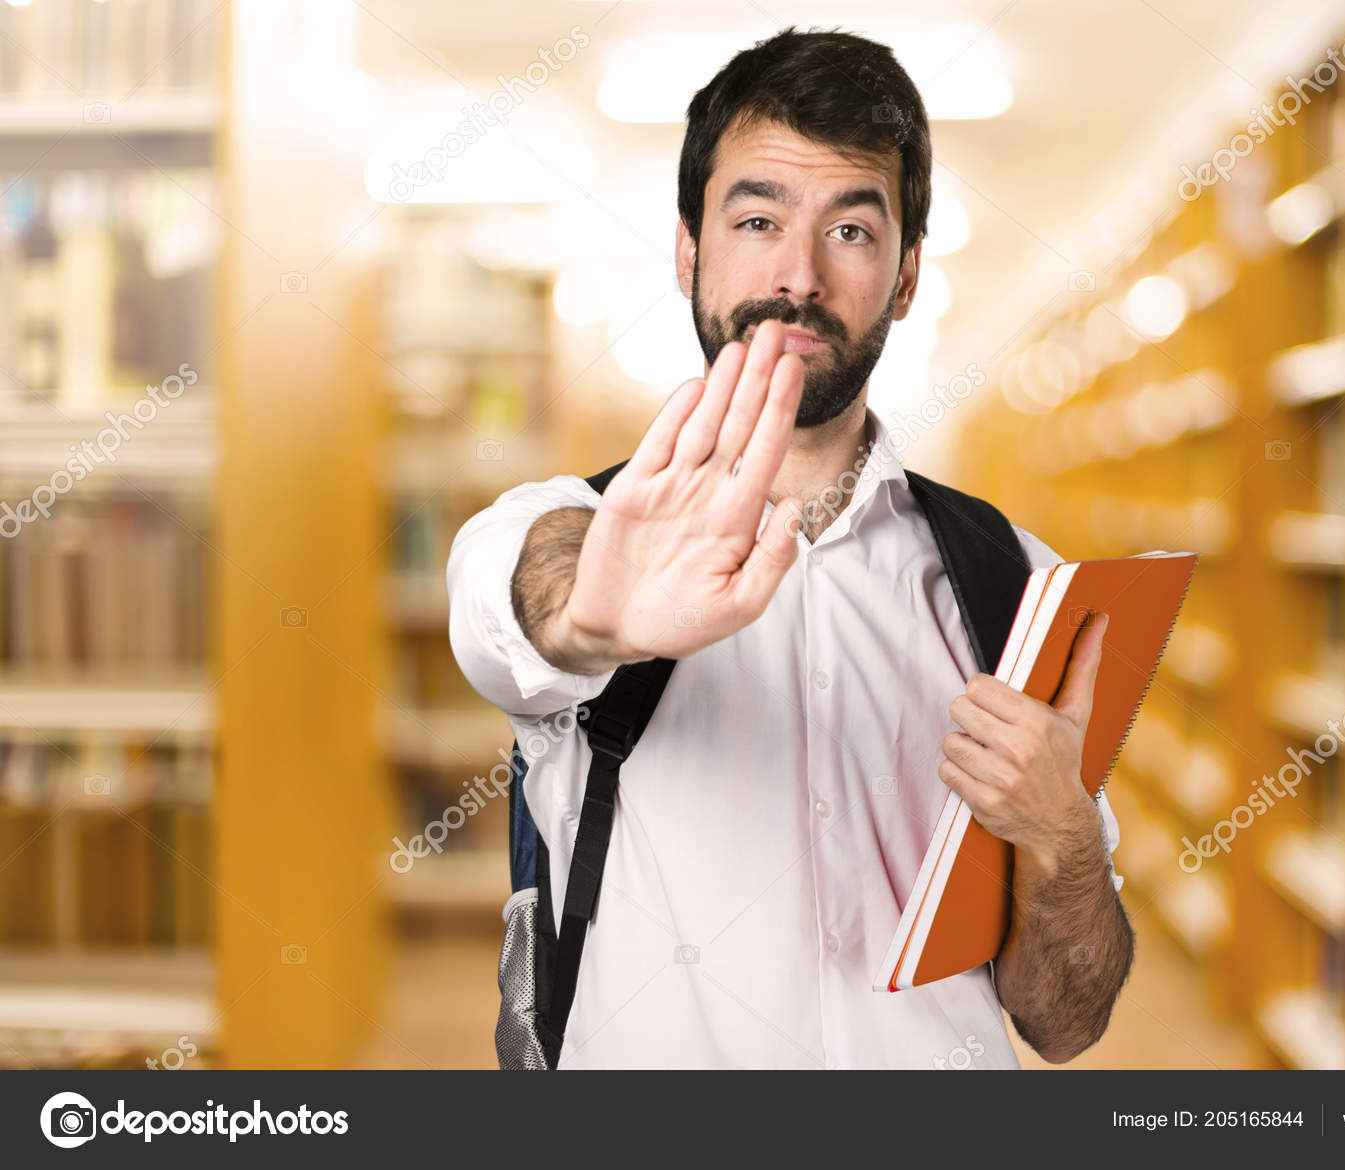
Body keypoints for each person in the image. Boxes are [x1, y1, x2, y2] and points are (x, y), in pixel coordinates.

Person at [448, 26, 1132, 1069]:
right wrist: (591, 617)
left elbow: (1066, 1022)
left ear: (904, 277)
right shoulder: (569, 530)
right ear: (689, 249)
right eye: (758, 219)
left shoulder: (1016, 581)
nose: (798, 276)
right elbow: (510, 609)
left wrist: (1063, 837)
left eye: (850, 230)